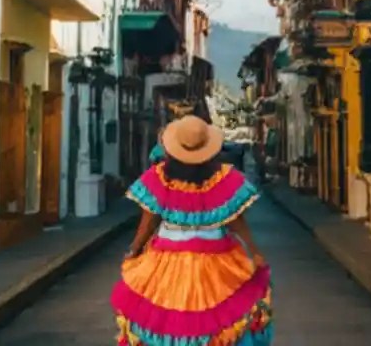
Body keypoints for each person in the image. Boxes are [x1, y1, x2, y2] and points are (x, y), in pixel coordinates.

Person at [111, 115, 273, 345]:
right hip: (217, 263)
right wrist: (254, 251)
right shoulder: (223, 178)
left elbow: (148, 222)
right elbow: (236, 222)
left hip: (165, 264)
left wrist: (134, 250)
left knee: (167, 325)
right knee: (217, 325)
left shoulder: (160, 178)